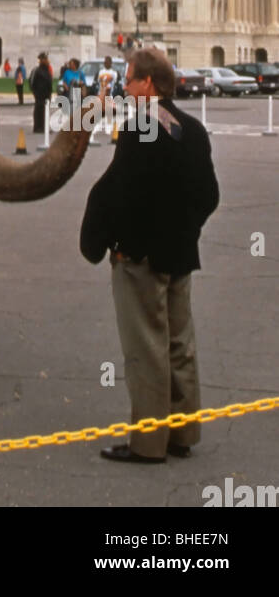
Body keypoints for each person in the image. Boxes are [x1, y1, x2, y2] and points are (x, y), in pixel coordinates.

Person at [79, 48, 219, 464]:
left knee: (146, 350)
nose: (124, 87)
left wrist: (100, 240)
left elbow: (115, 193)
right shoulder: (191, 129)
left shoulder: (140, 126)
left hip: (139, 257)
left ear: (149, 85)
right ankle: (182, 432)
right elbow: (209, 195)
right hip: (179, 253)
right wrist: (185, 231)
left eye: (129, 79)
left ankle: (148, 442)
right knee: (179, 344)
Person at [30, 52, 52, 134]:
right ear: (41, 60)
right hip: (39, 95)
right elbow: (32, 82)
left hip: (46, 95)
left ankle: (44, 127)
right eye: (45, 59)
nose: (47, 61)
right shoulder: (36, 70)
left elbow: (49, 82)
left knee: (45, 112)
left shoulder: (47, 70)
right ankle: (37, 127)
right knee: (38, 111)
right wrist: (35, 93)